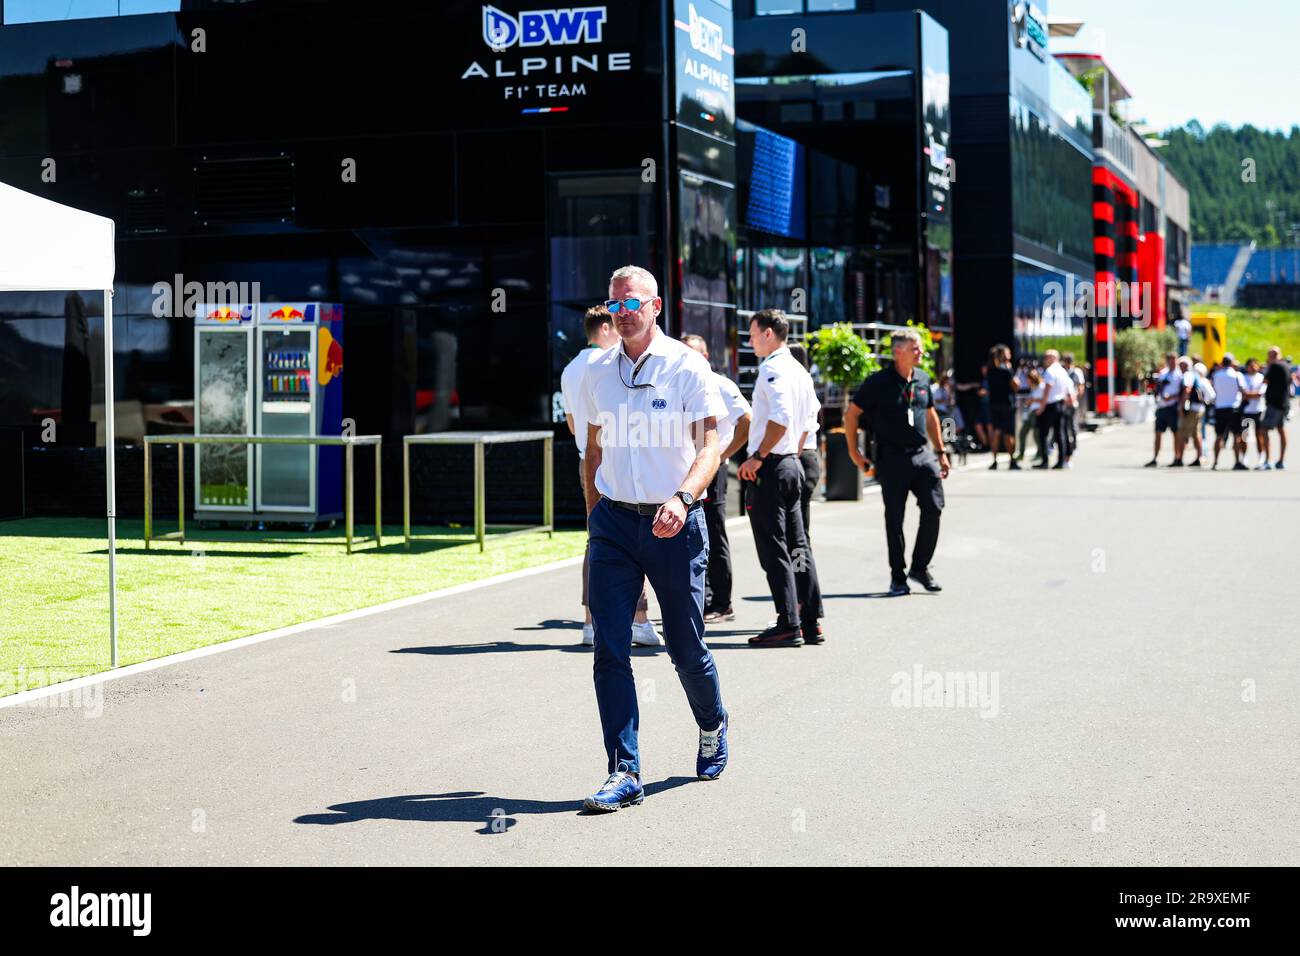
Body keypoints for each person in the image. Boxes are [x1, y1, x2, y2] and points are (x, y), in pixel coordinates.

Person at [579, 265, 728, 811]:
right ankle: (624, 770)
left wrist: (684, 497)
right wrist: (597, 513)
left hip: (675, 523)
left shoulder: (688, 367)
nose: (620, 313)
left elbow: (709, 447)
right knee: (609, 647)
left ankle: (712, 723)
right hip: (615, 525)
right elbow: (593, 449)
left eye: (630, 304)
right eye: (613, 304)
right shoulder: (598, 373)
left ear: (655, 306)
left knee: (685, 647)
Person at [562, 306, 662, 647]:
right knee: (634, 533)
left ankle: (591, 621)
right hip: (617, 459)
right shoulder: (611, 365)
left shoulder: (571, 369)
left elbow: (576, 425)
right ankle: (639, 618)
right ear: (605, 328)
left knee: (598, 538)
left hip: (586, 457)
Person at [738, 309, 825, 646]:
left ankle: (788, 621)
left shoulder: (773, 369)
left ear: (769, 333)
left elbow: (782, 418)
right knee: (798, 544)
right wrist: (790, 452)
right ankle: (810, 619)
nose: (750, 341)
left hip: (774, 467)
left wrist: (759, 457)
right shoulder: (799, 370)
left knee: (774, 546)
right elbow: (809, 420)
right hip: (792, 462)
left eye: (753, 334)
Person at [844, 328, 951, 596]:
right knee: (895, 518)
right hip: (891, 458)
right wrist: (854, 453)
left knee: (934, 507)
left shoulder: (923, 379)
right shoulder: (877, 382)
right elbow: (851, 415)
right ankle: (897, 576)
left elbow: (930, 415)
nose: (921, 353)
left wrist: (941, 451)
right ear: (898, 352)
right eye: (916, 348)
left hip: (922, 455)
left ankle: (920, 567)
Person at [682, 333, 751, 624]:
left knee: (712, 530)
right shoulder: (680, 383)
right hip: (685, 469)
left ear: (706, 356)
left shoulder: (720, 384)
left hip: (711, 468)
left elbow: (747, 420)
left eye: (695, 353)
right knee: (689, 533)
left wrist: (722, 456)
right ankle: (703, 598)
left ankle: (722, 603)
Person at [788, 343, 822, 537]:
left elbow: (803, 427)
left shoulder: (799, 385)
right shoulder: (806, 384)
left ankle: (800, 566)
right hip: (807, 457)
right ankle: (799, 565)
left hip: (800, 455)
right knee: (799, 529)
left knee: (797, 531)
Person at [1034, 350, 1075, 469]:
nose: (1044, 360)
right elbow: (1069, 388)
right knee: (1060, 433)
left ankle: (1045, 461)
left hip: (1051, 405)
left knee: (1043, 433)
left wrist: (1041, 406)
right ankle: (1061, 461)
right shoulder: (1062, 371)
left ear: (1052, 358)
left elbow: (1047, 390)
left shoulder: (1050, 371)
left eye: (1046, 357)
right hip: (1060, 404)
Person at [1209, 354, 1247, 470]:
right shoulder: (1236, 375)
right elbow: (1243, 390)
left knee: (1219, 436)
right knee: (1236, 435)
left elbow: (1213, 389)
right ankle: (1237, 461)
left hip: (1220, 407)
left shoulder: (1216, 375)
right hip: (1233, 408)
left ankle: (1215, 462)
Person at [985, 345, 1018, 470]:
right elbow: (1015, 386)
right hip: (1007, 404)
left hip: (994, 404)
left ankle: (994, 461)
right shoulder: (1006, 370)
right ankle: (1012, 460)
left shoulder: (990, 370)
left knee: (996, 432)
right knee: (1008, 433)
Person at [1146, 352, 1182, 467]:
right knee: (1158, 433)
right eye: (1169, 360)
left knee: (1176, 433)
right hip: (1162, 406)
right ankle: (1155, 457)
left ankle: (1177, 458)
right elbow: (1158, 388)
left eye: (1173, 360)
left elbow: (1183, 392)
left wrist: (1171, 397)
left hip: (1173, 407)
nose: (1171, 362)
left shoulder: (1179, 375)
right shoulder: (1163, 373)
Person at [1173, 356, 1207, 467]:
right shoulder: (1193, 374)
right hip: (1197, 408)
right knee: (1195, 433)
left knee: (1183, 433)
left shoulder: (1188, 375)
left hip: (1192, 409)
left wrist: (1183, 407)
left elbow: (1187, 389)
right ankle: (1200, 457)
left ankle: (1180, 459)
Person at [1261, 346, 1290, 470]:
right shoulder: (1285, 365)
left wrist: (1267, 367)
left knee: (1263, 429)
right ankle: (1281, 460)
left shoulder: (1275, 366)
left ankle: (1268, 460)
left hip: (1275, 404)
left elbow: (1265, 380)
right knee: (1281, 430)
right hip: (1283, 403)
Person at [1240, 357, 1268, 469]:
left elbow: (1260, 393)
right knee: (1244, 435)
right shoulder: (1243, 377)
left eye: (1254, 365)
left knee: (1259, 434)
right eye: (1250, 366)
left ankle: (1261, 457)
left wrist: (1249, 395)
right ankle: (1244, 457)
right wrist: (1250, 395)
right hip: (1246, 411)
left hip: (1258, 410)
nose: (1252, 368)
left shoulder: (1261, 378)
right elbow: (1243, 392)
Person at [1015, 365, 1044, 464]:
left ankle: (1040, 453)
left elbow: (1045, 400)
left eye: (1028, 380)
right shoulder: (1033, 389)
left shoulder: (1041, 387)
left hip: (1037, 412)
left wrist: (1032, 400)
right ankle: (1021, 453)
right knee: (1022, 433)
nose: (1026, 382)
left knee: (1037, 435)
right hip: (1030, 412)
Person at [1061, 352, 1086, 457]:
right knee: (1063, 425)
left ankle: (1074, 446)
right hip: (1063, 402)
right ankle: (1066, 447)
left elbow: (1081, 387)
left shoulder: (1077, 372)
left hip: (1072, 402)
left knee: (1072, 425)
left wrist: (1075, 398)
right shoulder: (1062, 372)